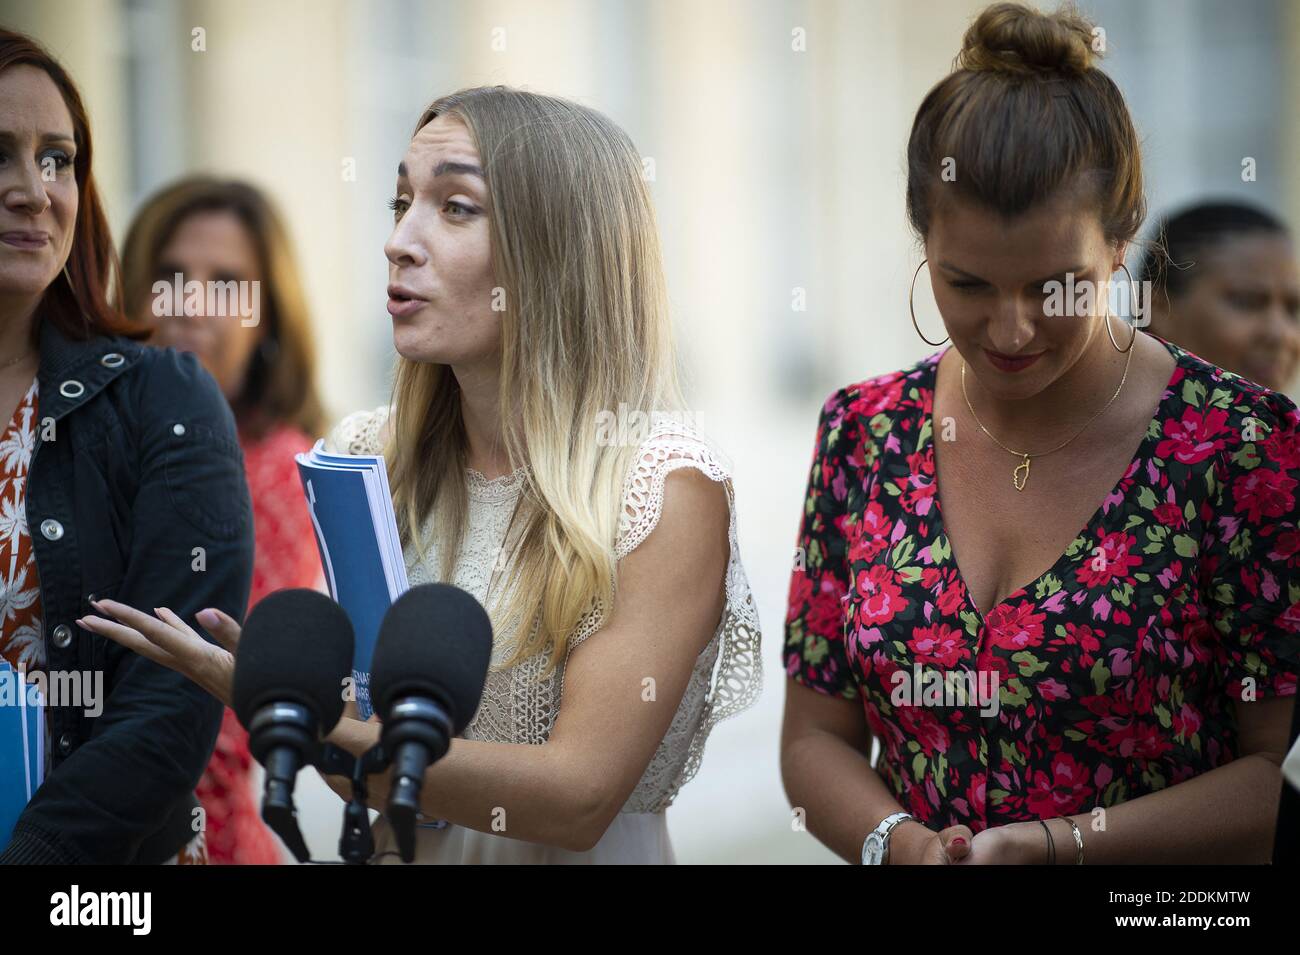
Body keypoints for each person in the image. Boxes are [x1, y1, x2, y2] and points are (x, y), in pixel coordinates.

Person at [82, 85, 763, 864]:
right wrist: (295, 704)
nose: (400, 240)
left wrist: (291, 712)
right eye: (401, 202)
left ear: (557, 247)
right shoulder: (368, 454)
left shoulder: (663, 484)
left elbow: (579, 796)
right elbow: (359, 773)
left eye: (456, 207)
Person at [780, 2, 1298, 865]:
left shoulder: (1243, 446)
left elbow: (1261, 782)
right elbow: (813, 740)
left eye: (1058, 287)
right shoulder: (862, 436)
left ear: (1124, 242)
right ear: (923, 241)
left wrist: (1062, 846)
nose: (1012, 331)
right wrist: (897, 844)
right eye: (969, 283)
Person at [0, 28, 253, 865]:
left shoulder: (162, 398)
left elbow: (172, 700)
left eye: (57, 158)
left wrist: (33, 854)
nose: (34, 190)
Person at [120, 177, 327, 864]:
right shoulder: (104, 442)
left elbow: (217, 730)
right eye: (171, 276)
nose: (192, 305)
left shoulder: (278, 472)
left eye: (228, 284)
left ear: (266, 319)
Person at [1139, 201, 1299, 392]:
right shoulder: (1105, 419)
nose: (1281, 334)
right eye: (1247, 302)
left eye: (1293, 309)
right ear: (1160, 308)